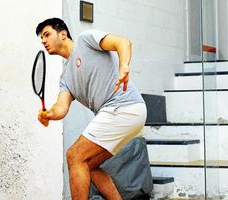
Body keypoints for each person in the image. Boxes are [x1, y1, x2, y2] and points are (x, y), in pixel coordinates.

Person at [36, 18, 147, 200]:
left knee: (74, 156)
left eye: (46, 34)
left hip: (123, 106)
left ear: (63, 34)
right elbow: (61, 108)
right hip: (127, 113)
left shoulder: (85, 40)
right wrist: (49, 114)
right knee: (88, 164)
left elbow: (123, 42)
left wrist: (124, 65)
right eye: (41, 38)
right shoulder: (65, 77)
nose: (43, 41)